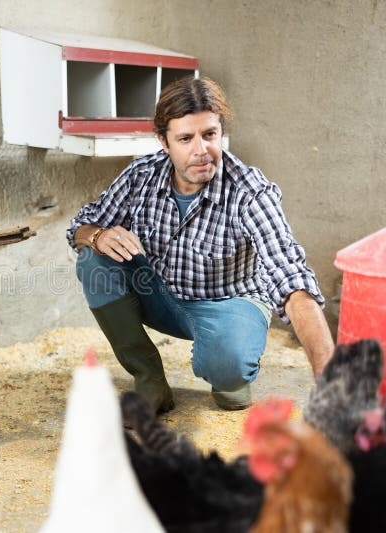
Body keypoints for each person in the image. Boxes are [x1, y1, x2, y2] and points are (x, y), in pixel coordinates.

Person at [67, 76, 334, 412]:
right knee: (93, 260)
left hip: (229, 303)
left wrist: (328, 380)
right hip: (160, 295)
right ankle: (150, 381)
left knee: (229, 372)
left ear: (221, 133)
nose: (201, 150)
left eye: (210, 135)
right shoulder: (141, 175)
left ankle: (229, 376)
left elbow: (292, 279)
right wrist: (97, 235)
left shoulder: (249, 191)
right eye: (185, 138)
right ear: (163, 142)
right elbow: (80, 226)